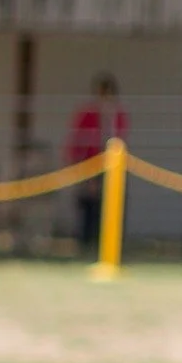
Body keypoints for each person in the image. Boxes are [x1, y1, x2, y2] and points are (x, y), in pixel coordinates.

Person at [66, 74, 129, 252]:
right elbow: (77, 139)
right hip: (89, 165)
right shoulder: (87, 114)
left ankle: (110, 246)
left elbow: (120, 139)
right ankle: (85, 242)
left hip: (112, 166)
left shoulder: (118, 115)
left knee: (112, 206)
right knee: (87, 206)